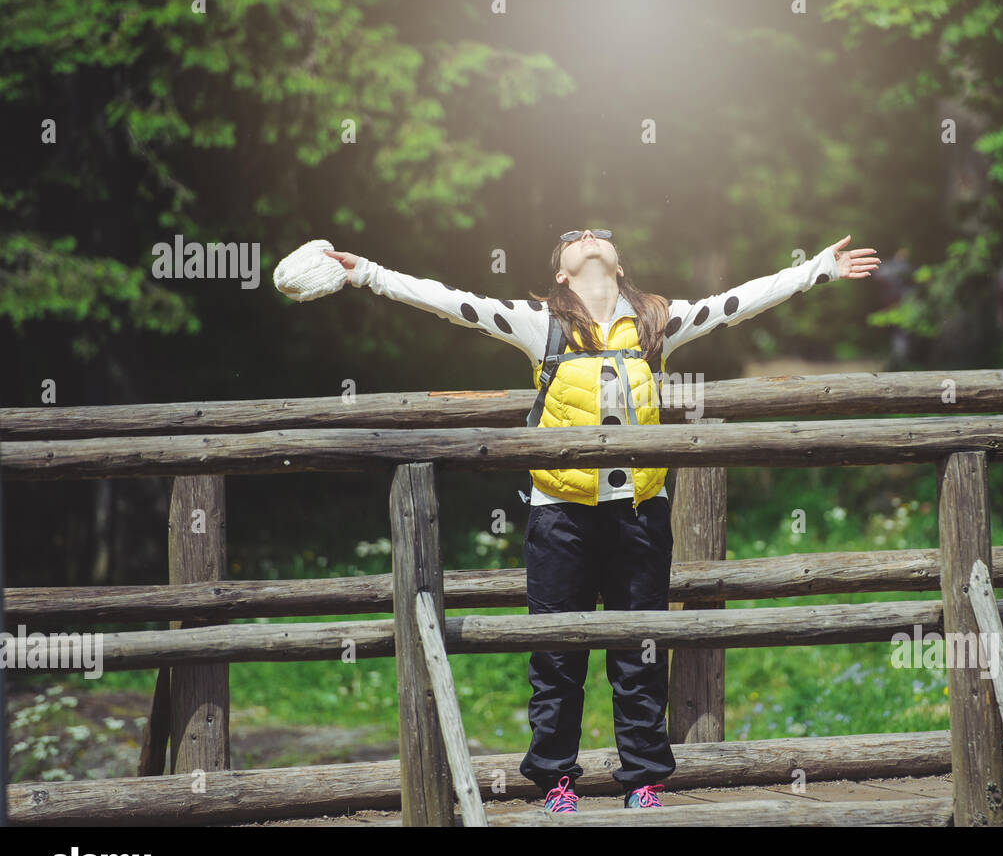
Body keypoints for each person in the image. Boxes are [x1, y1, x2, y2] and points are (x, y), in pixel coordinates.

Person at [320, 230, 881, 811]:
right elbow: (449, 301)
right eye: (574, 238)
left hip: (639, 513)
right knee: (557, 655)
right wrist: (367, 273)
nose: (588, 237)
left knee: (639, 650)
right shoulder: (539, 322)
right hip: (559, 515)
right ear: (560, 273)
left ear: (618, 262)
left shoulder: (658, 320)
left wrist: (818, 269)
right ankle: (556, 782)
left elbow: (737, 303)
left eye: (599, 235)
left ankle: (642, 781)